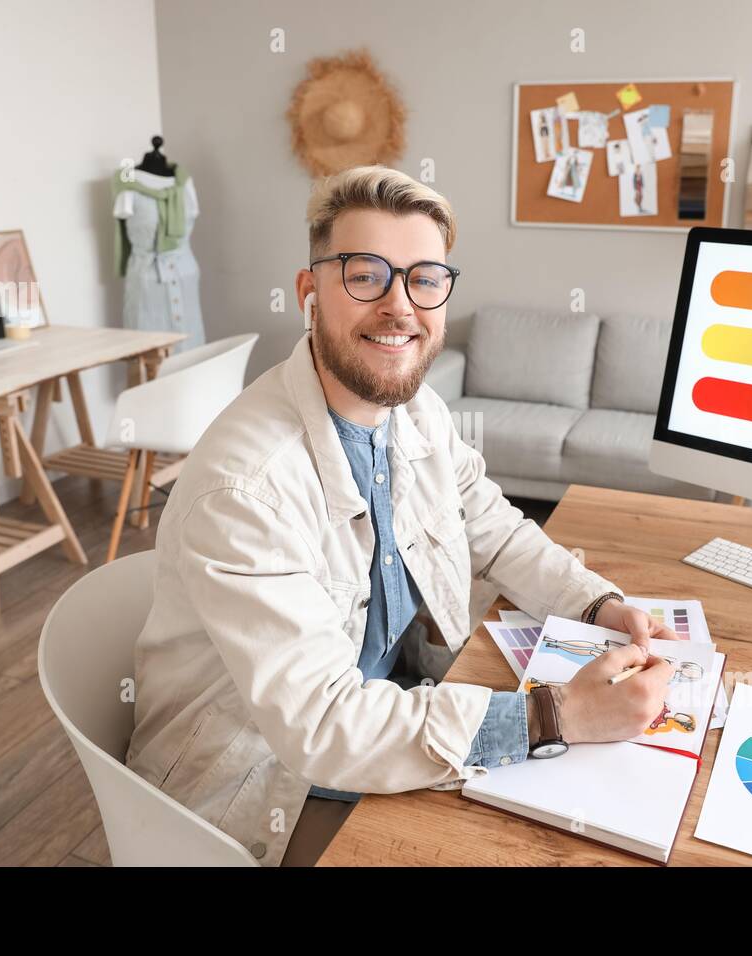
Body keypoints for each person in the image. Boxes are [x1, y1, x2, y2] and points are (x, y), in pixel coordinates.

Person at [126, 164, 680, 867]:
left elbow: (494, 527)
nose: (399, 307)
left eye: (424, 278)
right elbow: (325, 728)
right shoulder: (247, 489)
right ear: (309, 293)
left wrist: (597, 603)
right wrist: (558, 714)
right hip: (266, 790)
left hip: (395, 715)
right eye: (365, 275)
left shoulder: (413, 409)